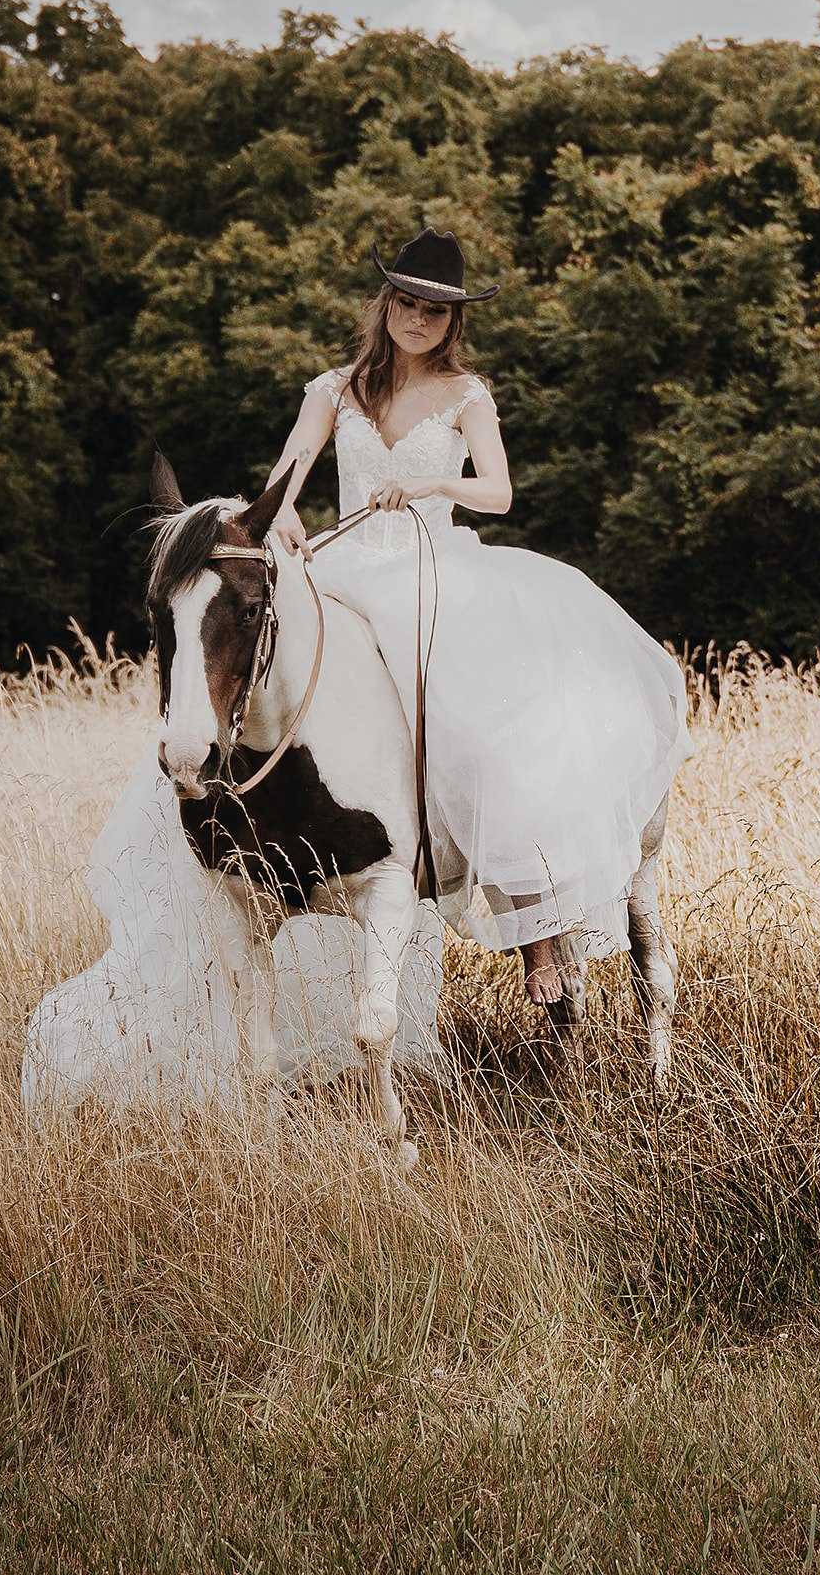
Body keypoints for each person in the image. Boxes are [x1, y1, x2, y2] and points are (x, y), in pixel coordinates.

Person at [267, 226, 695, 1003]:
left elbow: (499, 491)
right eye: (406, 301)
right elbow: (291, 464)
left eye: (435, 309)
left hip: (435, 574)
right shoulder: (335, 388)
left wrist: (435, 487)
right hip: (347, 568)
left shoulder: (467, 396)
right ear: (385, 304)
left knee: (485, 723)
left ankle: (536, 929)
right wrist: (282, 512)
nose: (418, 318)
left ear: (453, 320)